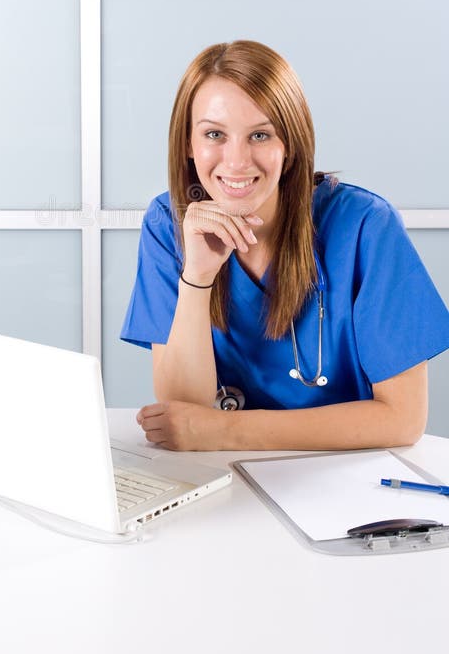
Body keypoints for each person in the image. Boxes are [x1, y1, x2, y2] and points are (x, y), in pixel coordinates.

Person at [121, 40, 449, 451]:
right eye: (214, 134)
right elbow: (182, 413)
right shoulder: (169, 223)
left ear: (290, 143)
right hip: (223, 474)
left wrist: (224, 431)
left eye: (260, 134)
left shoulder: (365, 225)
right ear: (188, 143)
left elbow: (402, 419)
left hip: (344, 473)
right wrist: (198, 276)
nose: (237, 161)